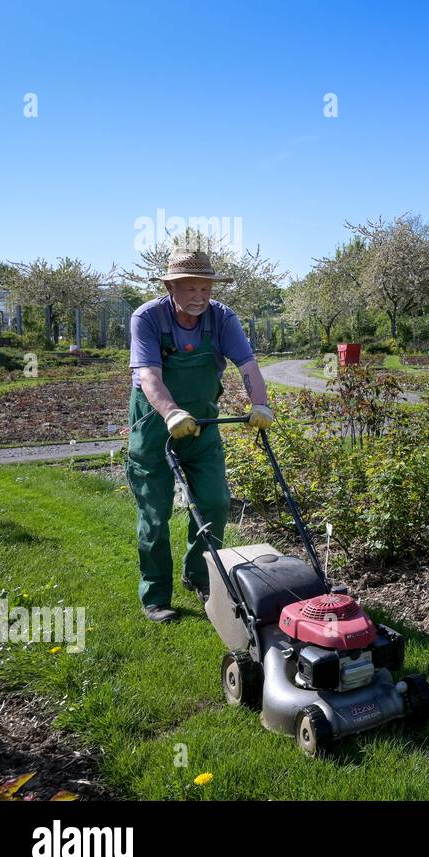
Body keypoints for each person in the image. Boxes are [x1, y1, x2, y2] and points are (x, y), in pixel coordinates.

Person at [126, 244, 274, 622]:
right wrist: (172, 412)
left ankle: (200, 576)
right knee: (154, 515)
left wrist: (260, 404)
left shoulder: (222, 318)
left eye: (206, 289)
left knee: (214, 502)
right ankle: (156, 594)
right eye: (191, 289)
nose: (200, 297)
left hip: (204, 427)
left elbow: (248, 366)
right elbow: (148, 376)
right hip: (155, 428)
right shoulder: (148, 318)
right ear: (171, 287)